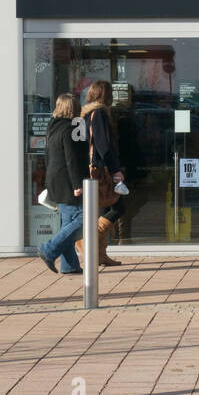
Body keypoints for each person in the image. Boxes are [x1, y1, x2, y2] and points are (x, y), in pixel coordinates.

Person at [36, 93, 86, 275]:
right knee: (84, 219)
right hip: (67, 179)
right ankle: (49, 249)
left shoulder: (53, 126)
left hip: (55, 178)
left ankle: (69, 265)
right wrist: (77, 184)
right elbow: (72, 159)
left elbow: (47, 155)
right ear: (73, 109)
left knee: (67, 221)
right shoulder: (70, 129)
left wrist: (48, 182)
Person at [78, 81, 126, 267]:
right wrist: (115, 170)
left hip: (96, 168)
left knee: (106, 209)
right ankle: (87, 242)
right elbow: (102, 145)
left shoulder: (87, 113)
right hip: (101, 169)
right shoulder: (99, 113)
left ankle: (100, 255)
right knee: (118, 207)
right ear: (106, 95)